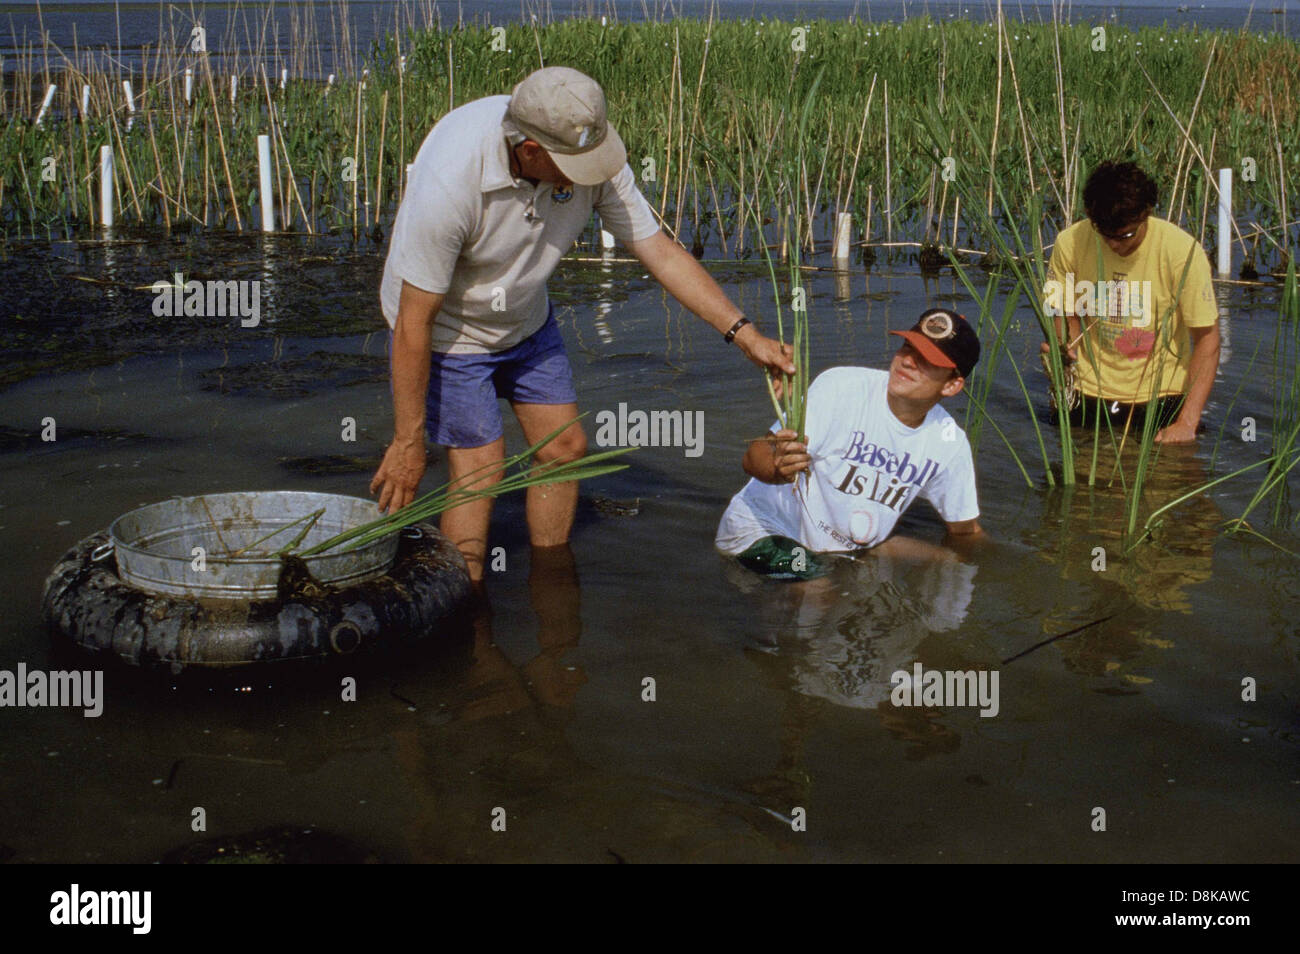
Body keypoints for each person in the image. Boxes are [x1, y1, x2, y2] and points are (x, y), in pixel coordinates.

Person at [369, 66, 794, 581]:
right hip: (447, 330)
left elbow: (658, 250)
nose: (592, 174)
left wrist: (744, 334)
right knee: (480, 469)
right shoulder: (452, 178)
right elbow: (414, 322)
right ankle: (467, 608)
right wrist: (407, 442)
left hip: (525, 315)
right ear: (529, 150)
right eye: (575, 164)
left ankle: (552, 584)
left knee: (565, 448)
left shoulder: (586, 146)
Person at [716, 308, 986, 579]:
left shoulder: (949, 443)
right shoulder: (841, 387)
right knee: (819, 587)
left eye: (927, 359)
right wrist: (777, 468)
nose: (908, 362)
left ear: (952, 386)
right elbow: (753, 458)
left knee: (950, 561)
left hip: (842, 547)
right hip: (763, 530)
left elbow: (964, 529)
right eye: (907, 347)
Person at [1041, 160, 1220, 442]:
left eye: (1125, 235)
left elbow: (1208, 340)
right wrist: (1064, 351)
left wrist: (1187, 422)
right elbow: (1065, 314)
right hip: (1089, 394)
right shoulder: (1069, 242)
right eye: (1105, 235)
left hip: (1159, 398)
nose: (1114, 245)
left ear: (1146, 214)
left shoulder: (1182, 252)